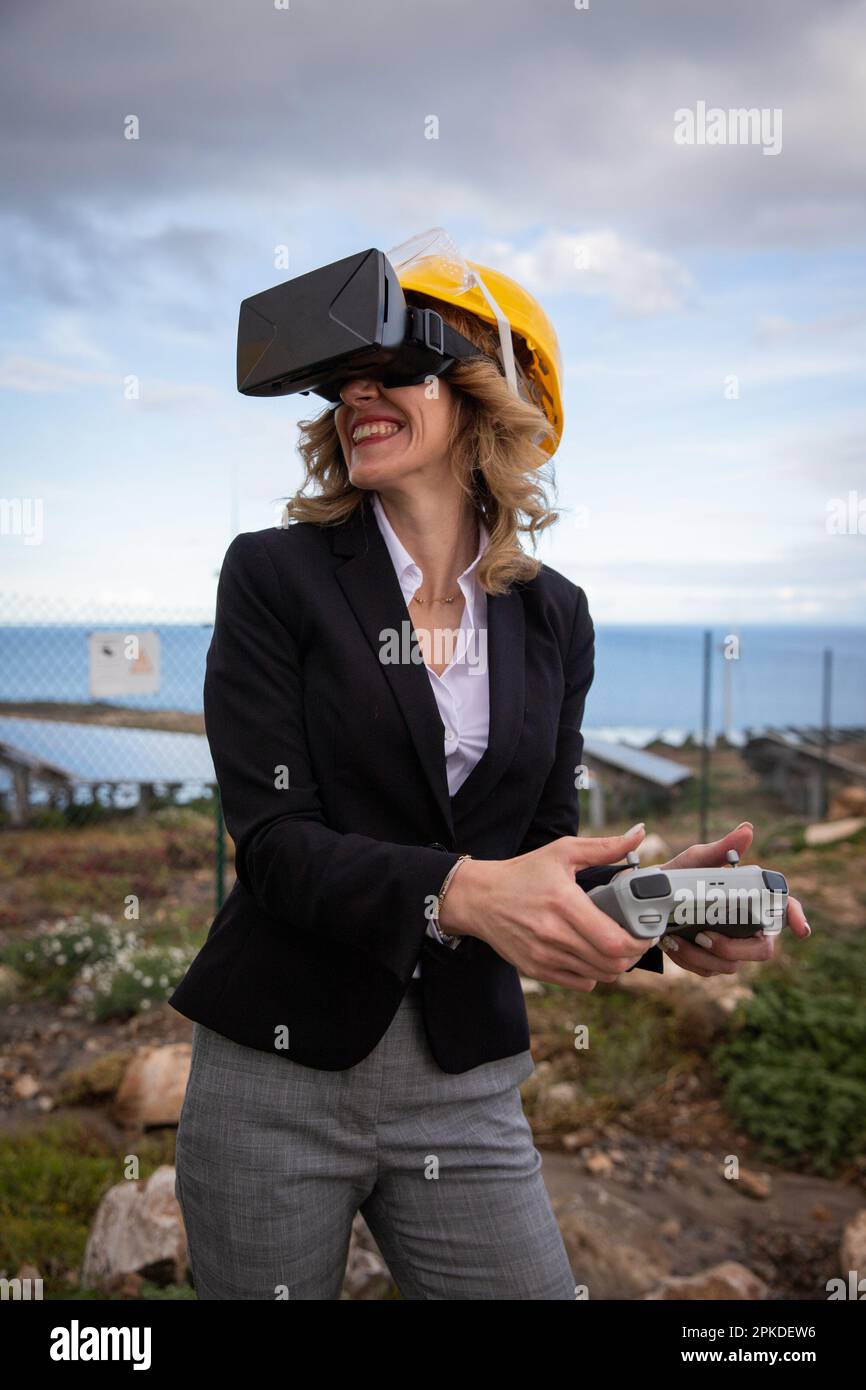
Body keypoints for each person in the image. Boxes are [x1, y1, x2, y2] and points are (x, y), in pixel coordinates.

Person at [169, 241, 809, 1300]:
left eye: (391, 367)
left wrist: (656, 911)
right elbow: (275, 847)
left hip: (460, 1081)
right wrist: (461, 888)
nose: (355, 394)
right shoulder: (273, 575)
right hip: (275, 1074)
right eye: (338, 380)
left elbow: (532, 851)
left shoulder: (554, 615)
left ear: (482, 400)